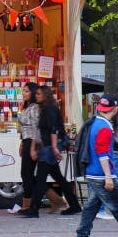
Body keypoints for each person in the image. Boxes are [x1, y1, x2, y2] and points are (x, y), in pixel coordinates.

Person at [74, 93, 118, 237]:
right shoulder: (105, 127)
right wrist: (108, 176)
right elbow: (103, 154)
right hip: (101, 174)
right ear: (114, 109)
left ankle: (82, 235)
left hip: (92, 172)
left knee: (92, 206)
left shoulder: (94, 123)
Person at [22, 85, 81, 217]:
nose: (36, 96)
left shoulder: (49, 110)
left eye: (39, 94)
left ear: (45, 95)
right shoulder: (46, 109)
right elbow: (41, 131)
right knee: (58, 178)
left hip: (49, 147)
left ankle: (34, 209)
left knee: (41, 179)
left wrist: (54, 147)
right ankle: (74, 205)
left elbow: (53, 129)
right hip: (47, 146)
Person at [11, 82, 40, 214]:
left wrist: (33, 147)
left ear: (32, 93)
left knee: (27, 173)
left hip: (32, 142)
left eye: (27, 91)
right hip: (26, 141)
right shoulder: (26, 106)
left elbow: (36, 129)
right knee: (26, 174)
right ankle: (29, 203)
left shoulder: (34, 107)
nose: (24, 93)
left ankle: (28, 205)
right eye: (23, 91)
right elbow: (24, 128)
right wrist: (22, 143)